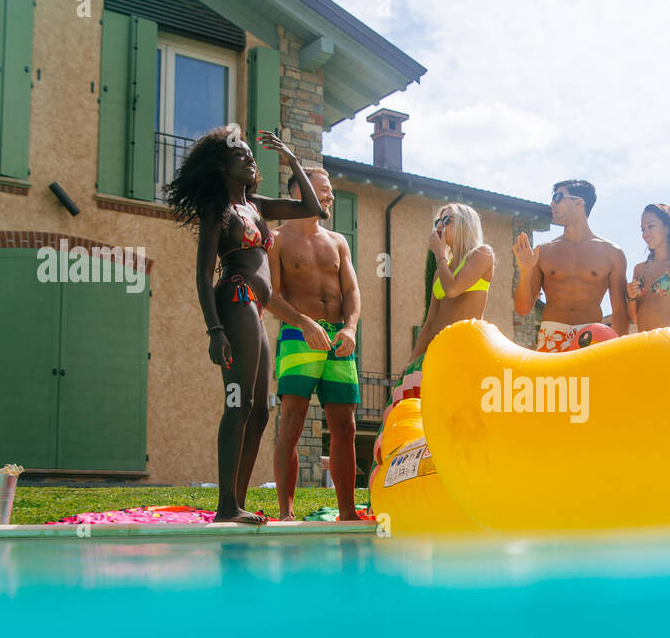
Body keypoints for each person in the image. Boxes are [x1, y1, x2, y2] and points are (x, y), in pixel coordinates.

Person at [166, 125, 323, 524]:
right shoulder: (217, 210)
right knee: (238, 402)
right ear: (221, 166)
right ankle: (225, 506)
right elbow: (203, 275)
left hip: (255, 307)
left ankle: (234, 500)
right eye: (241, 156)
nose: (251, 160)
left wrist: (291, 158)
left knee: (259, 412)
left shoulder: (256, 207)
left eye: (253, 156)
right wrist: (214, 330)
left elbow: (312, 207)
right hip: (234, 300)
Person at [265, 168, 362, 521]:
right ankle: (286, 513)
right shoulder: (275, 239)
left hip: (338, 338)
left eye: (331, 191)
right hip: (297, 337)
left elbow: (352, 291)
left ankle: (348, 512)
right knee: (291, 420)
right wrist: (304, 323)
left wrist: (350, 328)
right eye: (323, 191)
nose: (330, 197)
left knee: (345, 425)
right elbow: (270, 295)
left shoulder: (338, 241)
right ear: (298, 193)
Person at [373, 204, 493, 463]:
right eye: (438, 221)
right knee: (414, 416)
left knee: (455, 417)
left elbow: (453, 290)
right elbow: (429, 323)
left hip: (461, 353)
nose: (439, 226)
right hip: (433, 355)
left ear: (464, 223)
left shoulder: (482, 254)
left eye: (446, 220)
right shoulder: (444, 267)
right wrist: (412, 364)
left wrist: (439, 254)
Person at [513, 180, 629, 351]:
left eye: (558, 197)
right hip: (552, 336)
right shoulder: (544, 251)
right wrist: (525, 271)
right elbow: (522, 308)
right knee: (552, 380)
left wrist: (617, 350)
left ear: (578, 203)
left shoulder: (612, 253)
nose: (552, 203)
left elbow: (620, 311)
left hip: (592, 339)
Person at [626, 204, 670, 331]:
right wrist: (631, 297)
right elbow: (635, 318)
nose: (645, 234)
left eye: (650, 226)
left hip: (669, 342)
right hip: (645, 343)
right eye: (643, 229)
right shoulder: (639, 269)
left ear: (667, 228)